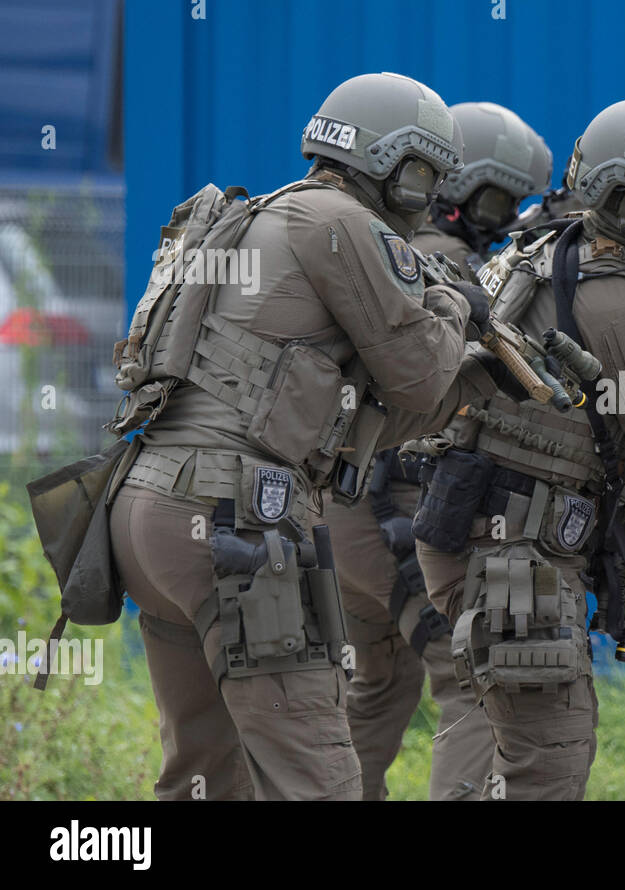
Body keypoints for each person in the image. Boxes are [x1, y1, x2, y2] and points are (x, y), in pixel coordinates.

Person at [106, 72, 504, 800]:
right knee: (313, 775)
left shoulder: (255, 220)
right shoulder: (342, 222)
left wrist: (475, 387)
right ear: (395, 163)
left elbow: (341, 418)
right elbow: (416, 375)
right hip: (238, 524)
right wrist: (454, 302)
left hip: (146, 513)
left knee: (202, 772)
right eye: (425, 173)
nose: (429, 195)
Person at [413, 97, 625, 800]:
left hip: (483, 531)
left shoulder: (543, 250)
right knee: (549, 761)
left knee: (498, 738)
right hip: (518, 558)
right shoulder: (620, 301)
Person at [327, 101, 552, 801]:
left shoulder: (386, 249)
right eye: (497, 198)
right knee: (470, 678)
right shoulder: (449, 268)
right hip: (384, 509)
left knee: (382, 678)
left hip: (337, 512)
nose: (505, 216)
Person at [413, 101, 553, 273]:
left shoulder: (413, 236)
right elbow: (486, 293)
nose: (510, 215)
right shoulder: (449, 253)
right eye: (502, 201)